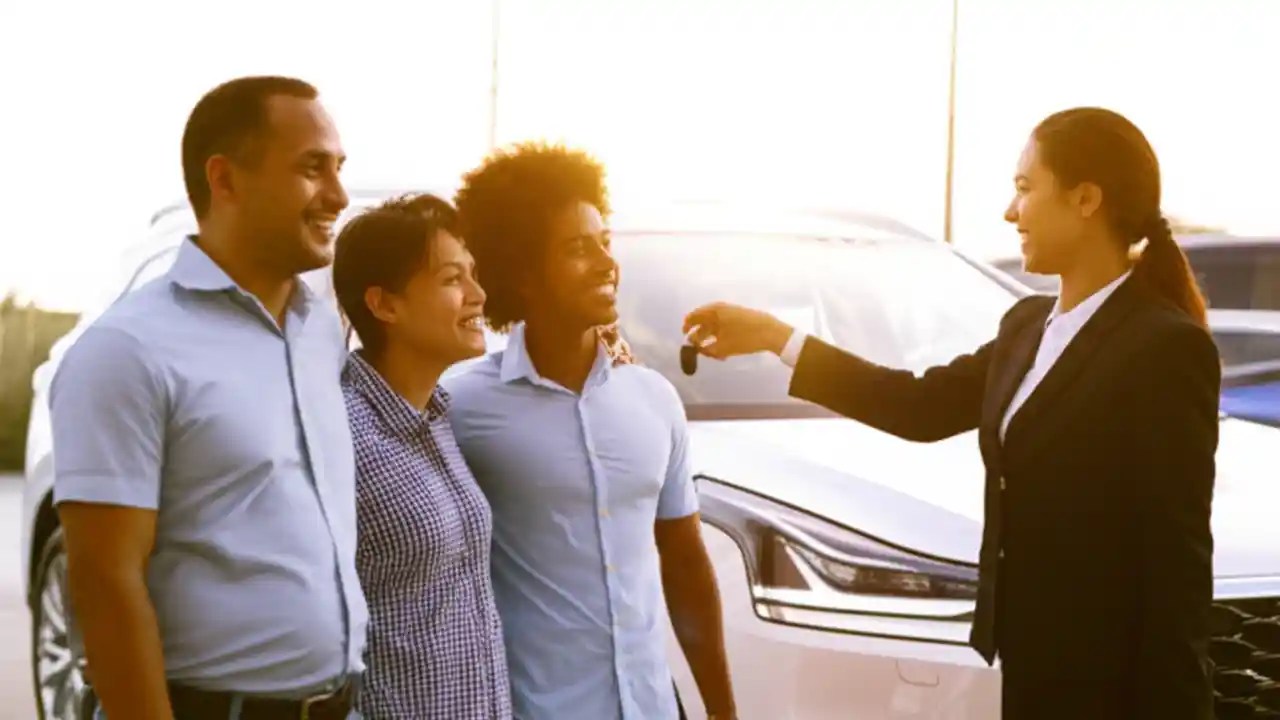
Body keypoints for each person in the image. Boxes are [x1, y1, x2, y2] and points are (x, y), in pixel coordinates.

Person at [683, 107, 1220, 720]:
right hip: (1031, 664)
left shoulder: (1163, 346)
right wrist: (777, 337)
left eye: (1024, 188)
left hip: (1113, 684)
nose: (1009, 212)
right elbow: (918, 406)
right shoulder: (1026, 328)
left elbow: (1175, 560)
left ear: (1086, 199)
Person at [50, 76, 366, 719]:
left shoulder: (318, 331)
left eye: (338, 169)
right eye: (312, 168)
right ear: (224, 180)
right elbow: (105, 584)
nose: (338, 194)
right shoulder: (127, 350)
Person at [443, 142, 738, 720]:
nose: (607, 263)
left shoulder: (652, 399)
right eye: (579, 249)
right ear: (521, 273)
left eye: (605, 242)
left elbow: (685, 565)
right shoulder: (460, 405)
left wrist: (722, 712)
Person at [331, 193, 512, 719]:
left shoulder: (436, 418)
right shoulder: (342, 432)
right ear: (385, 304)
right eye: (453, 279)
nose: (479, 295)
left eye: (473, 274)